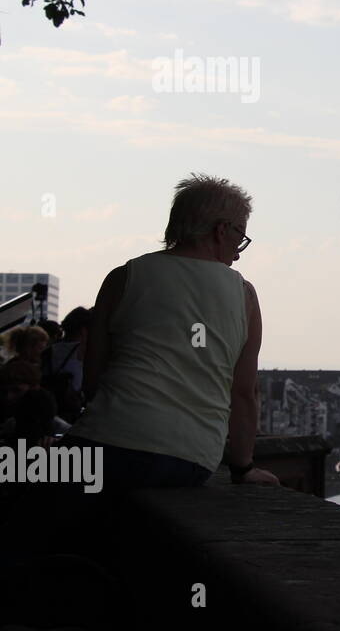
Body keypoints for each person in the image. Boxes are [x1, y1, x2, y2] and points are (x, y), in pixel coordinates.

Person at [64, 173, 278, 491]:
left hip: (102, 440)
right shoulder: (244, 296)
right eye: (240, 237)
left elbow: (94, 374)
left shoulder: (123, 277)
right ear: (222, 230)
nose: (239, 249)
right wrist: (243, 466)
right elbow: (244, 393)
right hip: (189, 456)